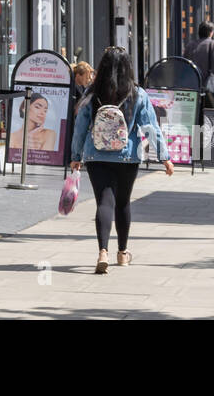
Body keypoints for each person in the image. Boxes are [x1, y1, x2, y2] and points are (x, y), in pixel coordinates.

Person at [69, 46, 174, 272]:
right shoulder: (137, 94)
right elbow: (150, 127)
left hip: (96, 155)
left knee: (104, 202)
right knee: (123, 203)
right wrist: (164, 157)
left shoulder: (91, 92)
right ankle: (123, 253)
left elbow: (80, 127)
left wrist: (76, 155)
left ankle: (102, 252)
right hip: (128, 156)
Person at [186, 21, 214, 108]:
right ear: (211, 32)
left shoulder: (190, 45)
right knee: (211, 111)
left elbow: (185, 63)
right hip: (209, 86)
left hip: (192, 85)